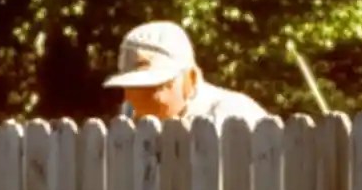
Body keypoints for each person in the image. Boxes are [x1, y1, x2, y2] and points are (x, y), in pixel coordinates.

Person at [103, 20, 267, 126]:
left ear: (190, 80)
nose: (137, 104)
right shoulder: (128, 116)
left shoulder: (232, 115)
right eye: (130, 88)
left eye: (151, 89)